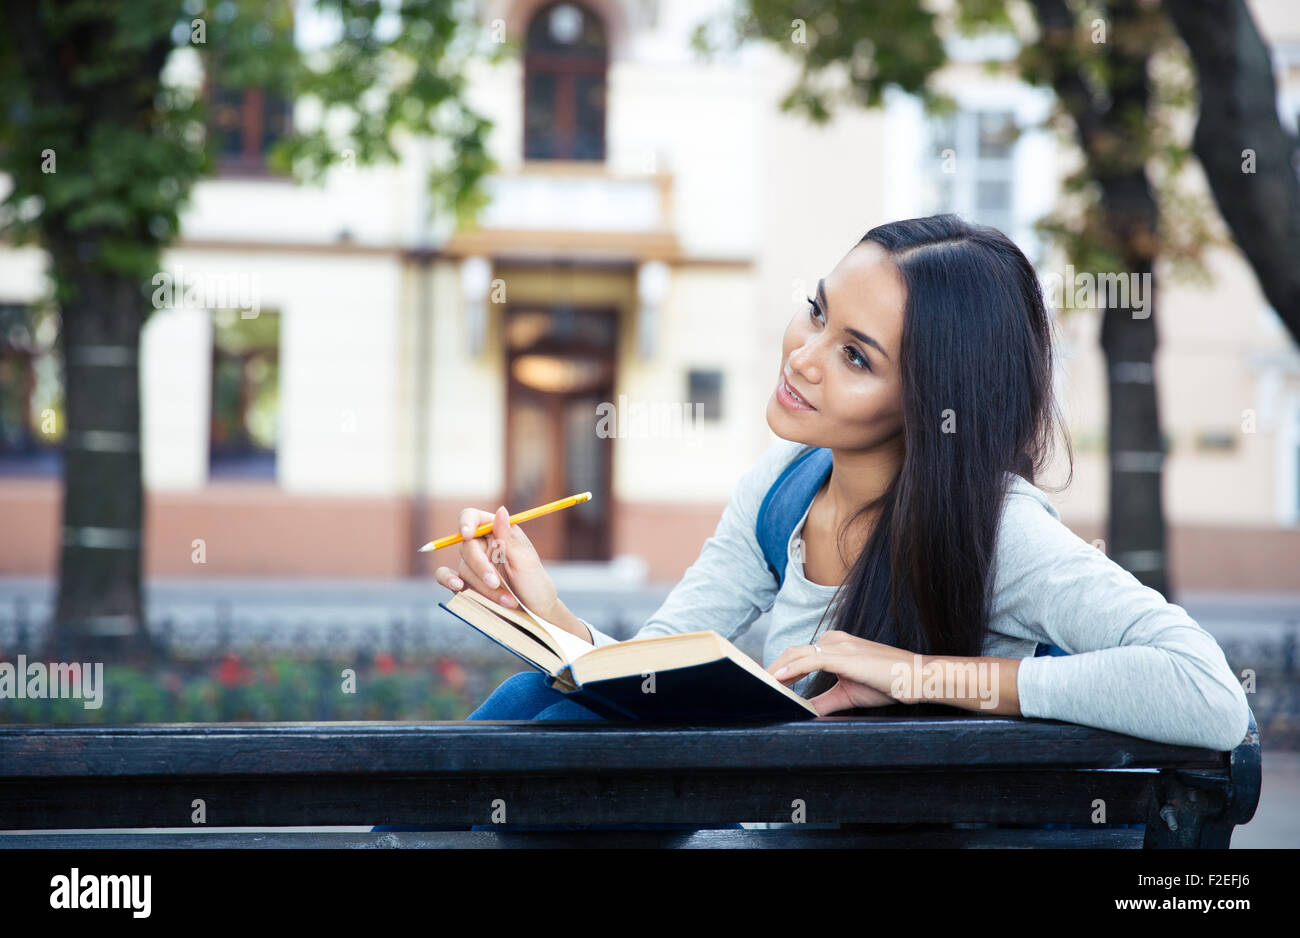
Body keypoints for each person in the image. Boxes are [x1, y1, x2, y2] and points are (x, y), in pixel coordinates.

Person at [377, 213, 1249, 833]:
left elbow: (1208, 694)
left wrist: (919, 675)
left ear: (929, 403)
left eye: (856, 356)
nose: (804, 354)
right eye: (819, 309)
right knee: (546, 695)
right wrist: (547, 619)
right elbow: (658, 676)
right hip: (788, 821)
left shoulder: (1000, 531)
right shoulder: (782, 487)